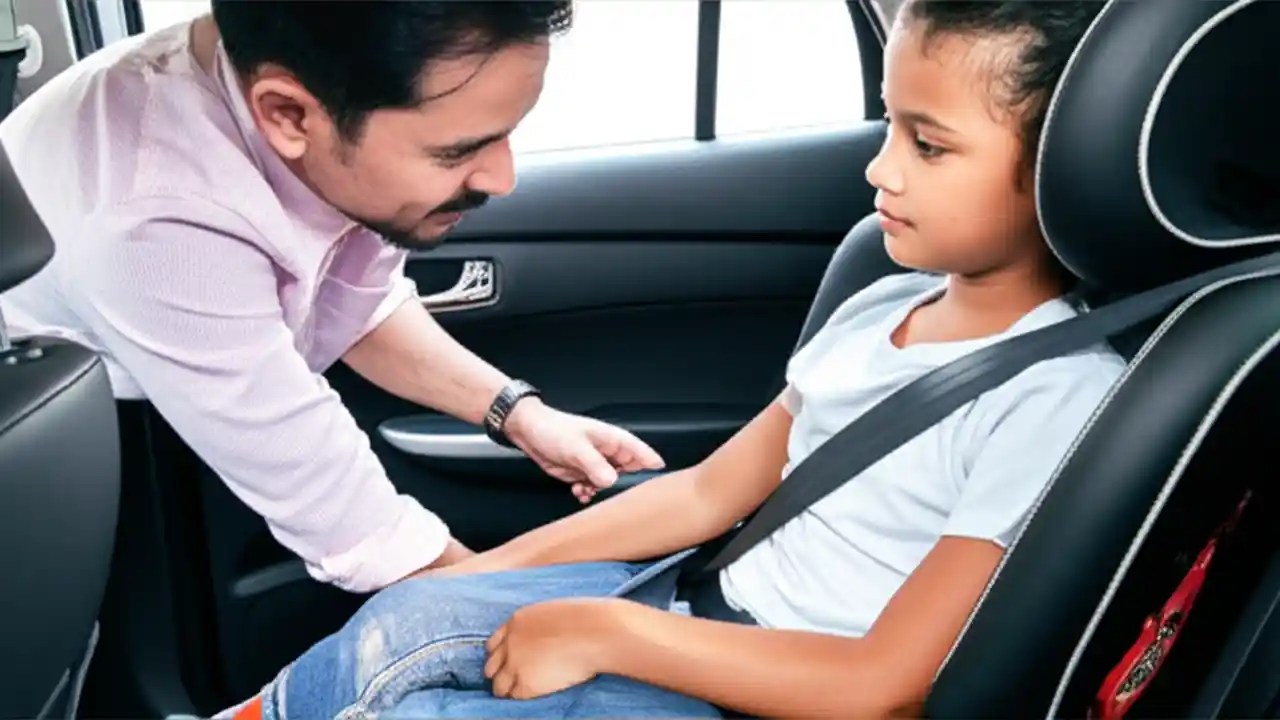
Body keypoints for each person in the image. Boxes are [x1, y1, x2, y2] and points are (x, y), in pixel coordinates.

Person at [225, 0, 1126, 717]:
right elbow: (707, 494)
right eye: (890, 126)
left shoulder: (1053, 396)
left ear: (1063, 161)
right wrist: (484, 573)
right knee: (402, 619)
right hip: (690, 607)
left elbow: (883, 684)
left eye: (927, 146)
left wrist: (610, 635)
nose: (880, 170)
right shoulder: (885, 304)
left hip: (768, 693)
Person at [0, 1, 665, 593]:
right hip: (62, 440)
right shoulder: (157, 220)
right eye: (459, 151)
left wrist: (521, 415)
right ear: (287, 115)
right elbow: (359, 529)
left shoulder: (313, 95)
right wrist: (579, 623)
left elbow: (360, 304)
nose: (503, 177)